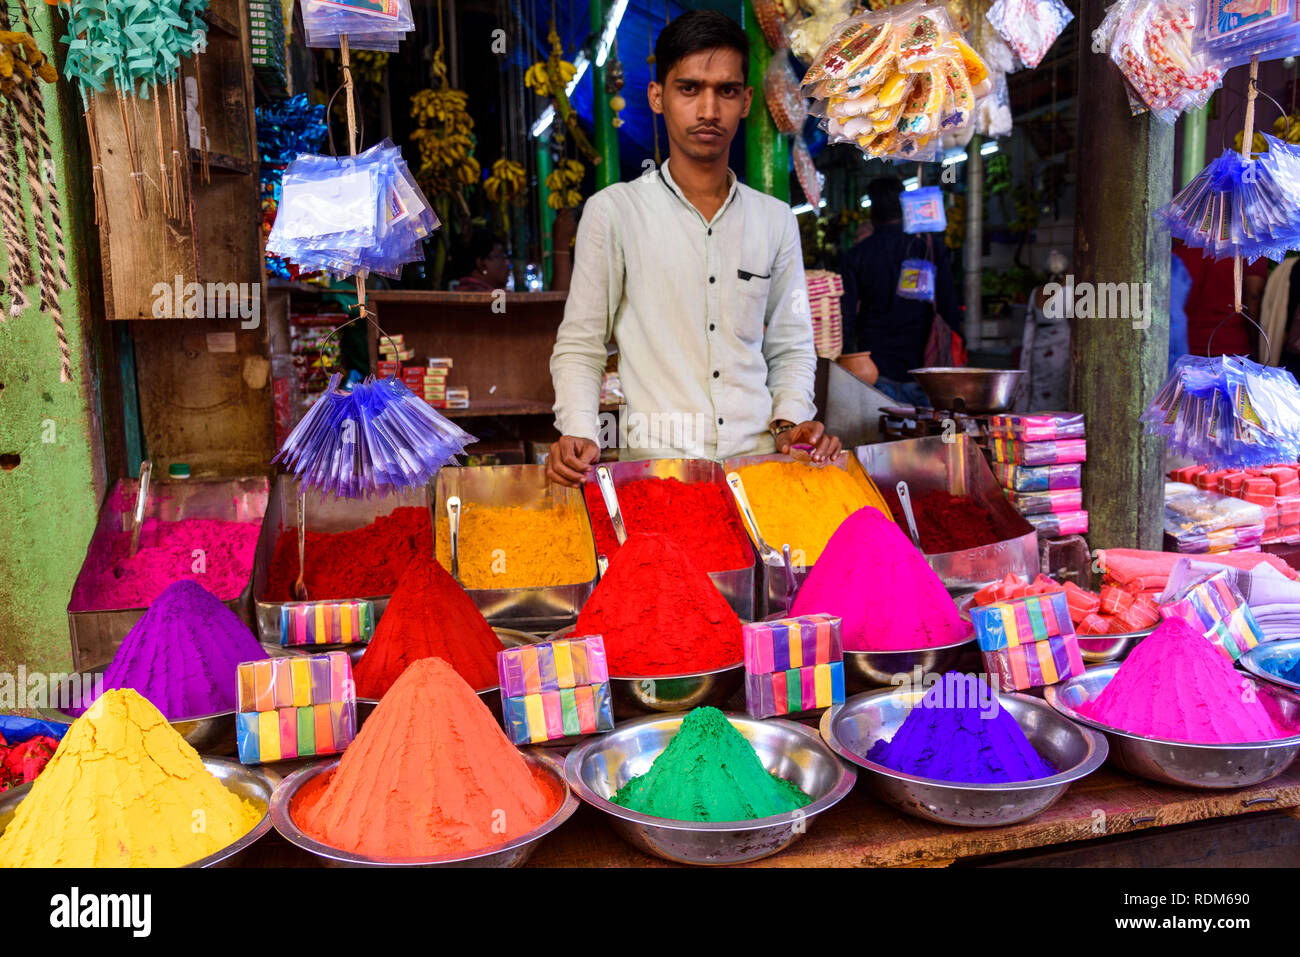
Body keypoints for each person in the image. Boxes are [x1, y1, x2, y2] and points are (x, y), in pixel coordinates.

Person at [546, 10, 838, 485]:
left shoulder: (775, 220)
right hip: (659, 476)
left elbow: (791, 346)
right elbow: (581, 344)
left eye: (725, 91)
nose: (708, 110)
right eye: (689, 89)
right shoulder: (614, 212)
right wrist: (578, 429)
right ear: (657, 97)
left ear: (745, 101)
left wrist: (789, 422)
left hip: (759, 468)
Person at [840, 177, 962, 407]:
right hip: (926, 370)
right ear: (907, 209)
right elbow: (949, 306)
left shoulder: (857, 255)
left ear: (872, 213)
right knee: (928, 441)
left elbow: (845, 317)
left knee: (879, 439)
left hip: (875, 370)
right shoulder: (930, 247)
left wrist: (847, 362)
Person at [1173, 239, 1265, 357]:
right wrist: (1258, 345)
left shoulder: (1179, 251)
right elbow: (1254, 294)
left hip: (1188, 348)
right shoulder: (1250, 248)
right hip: (1234, 348)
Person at [1018, 251, 1071, 410]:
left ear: (1044, 272)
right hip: (1062, 351)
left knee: (1040, 391)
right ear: (1067, 272)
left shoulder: (1036, 292)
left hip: (1038, 350)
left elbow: (1030, 324)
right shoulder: (1068, 291)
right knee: (1059, 393)